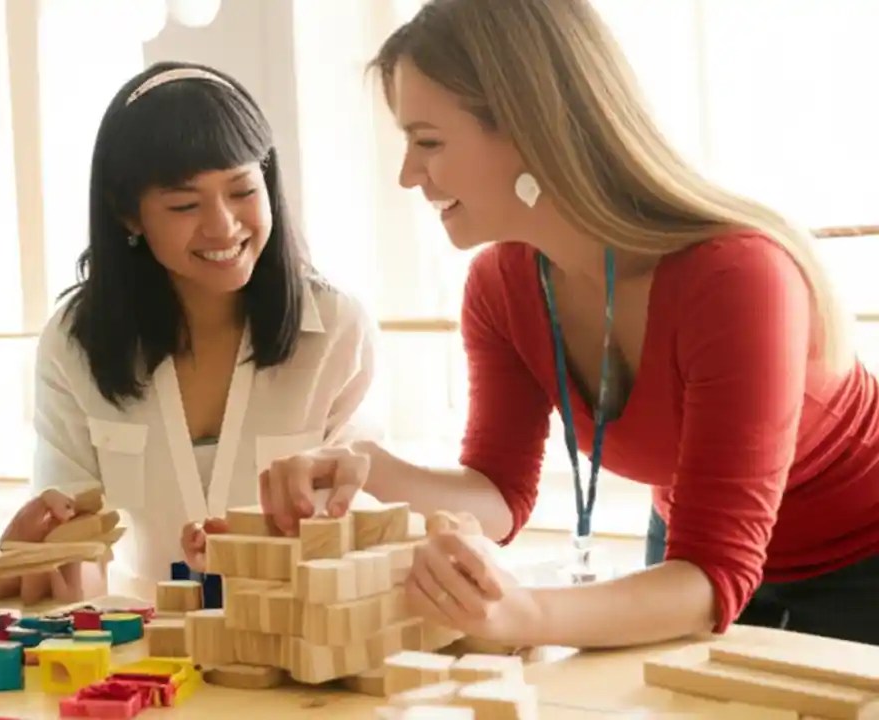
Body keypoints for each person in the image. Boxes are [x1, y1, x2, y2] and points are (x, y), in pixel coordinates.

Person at [251, 0, 879, 649]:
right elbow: (497, 499)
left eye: (428, 141)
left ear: (531, 127)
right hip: (692, 561)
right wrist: (367, 467)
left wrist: (527, 616)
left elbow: (713, 573)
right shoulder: (502, 286)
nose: (409, 175)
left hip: (859, 559)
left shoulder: (739, 278)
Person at [0, 61, 382, 603]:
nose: (223, 225)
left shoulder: (337, 329)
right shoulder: (74, 341)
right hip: (141, 649)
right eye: (184, 205)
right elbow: (75, 552)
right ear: (129, 215)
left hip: (296, 637)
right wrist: (45, 557)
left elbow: (363, 527)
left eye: (242, 190)